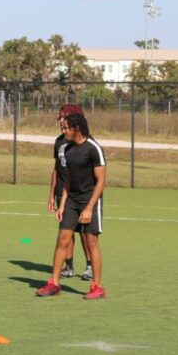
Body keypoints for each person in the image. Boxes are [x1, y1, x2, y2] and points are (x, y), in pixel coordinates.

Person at [37, 112, 107, 300]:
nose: (64, 131)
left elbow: (101, 181)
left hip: (90, 199)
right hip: (71, 200)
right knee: (62, 238)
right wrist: (62, 205)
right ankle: (54, 283)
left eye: (66, 128)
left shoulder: (93, 148)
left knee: (91, 241)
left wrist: (89, 208)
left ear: (76, 128)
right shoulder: (65, 149)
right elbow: (67, 180)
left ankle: (97, 287)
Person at [48, 104, 93, 281]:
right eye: (59, 117)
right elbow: (56, 170)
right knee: (66, 230)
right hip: (63, 190)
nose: (60, 120)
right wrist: (51, 195)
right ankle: (69, 266)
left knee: (84, 231)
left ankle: (89, 266)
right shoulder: (59, 142)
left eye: (63, 117)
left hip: (80, 193)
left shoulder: (86, 143)